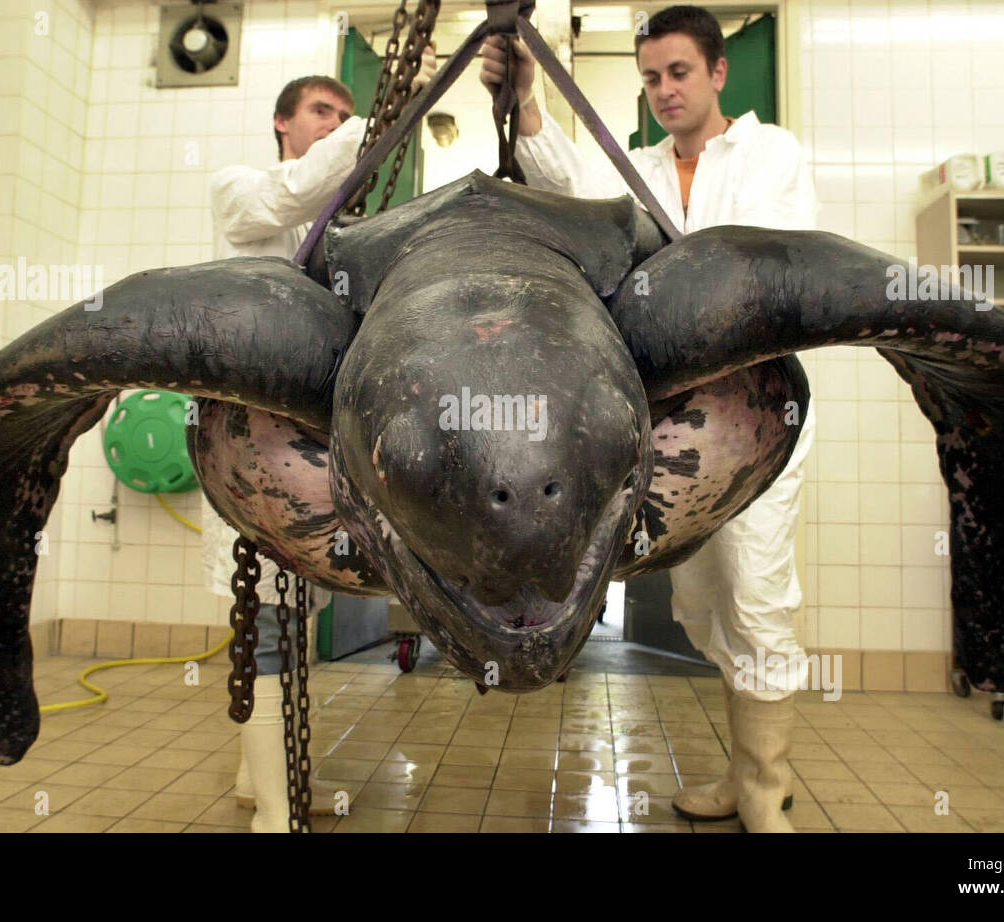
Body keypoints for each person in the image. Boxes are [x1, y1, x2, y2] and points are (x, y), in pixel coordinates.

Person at [481, 5, 817, 833]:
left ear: (717, 72)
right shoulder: (641, 167)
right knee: (703, 599)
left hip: (758, 415)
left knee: (759, 592)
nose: (664, 91)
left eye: (678, 73)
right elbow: (568, 185)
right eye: (650, 79)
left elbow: (755, 259)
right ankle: (741, 777)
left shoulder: (771, 153)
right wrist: (527, 98)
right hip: (682, 430)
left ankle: (768, 794)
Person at [205, 51, 436, 834]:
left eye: (343, 118)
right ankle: (275, 815)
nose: (334, 129)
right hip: (247, 442)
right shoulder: (242, 190)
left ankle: (253, 773)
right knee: (264, 622)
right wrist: (379, 118)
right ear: (282, 121)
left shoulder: (337, 232)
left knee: (289, 616)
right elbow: (291, 191)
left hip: (309, 444)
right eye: (321, 115)